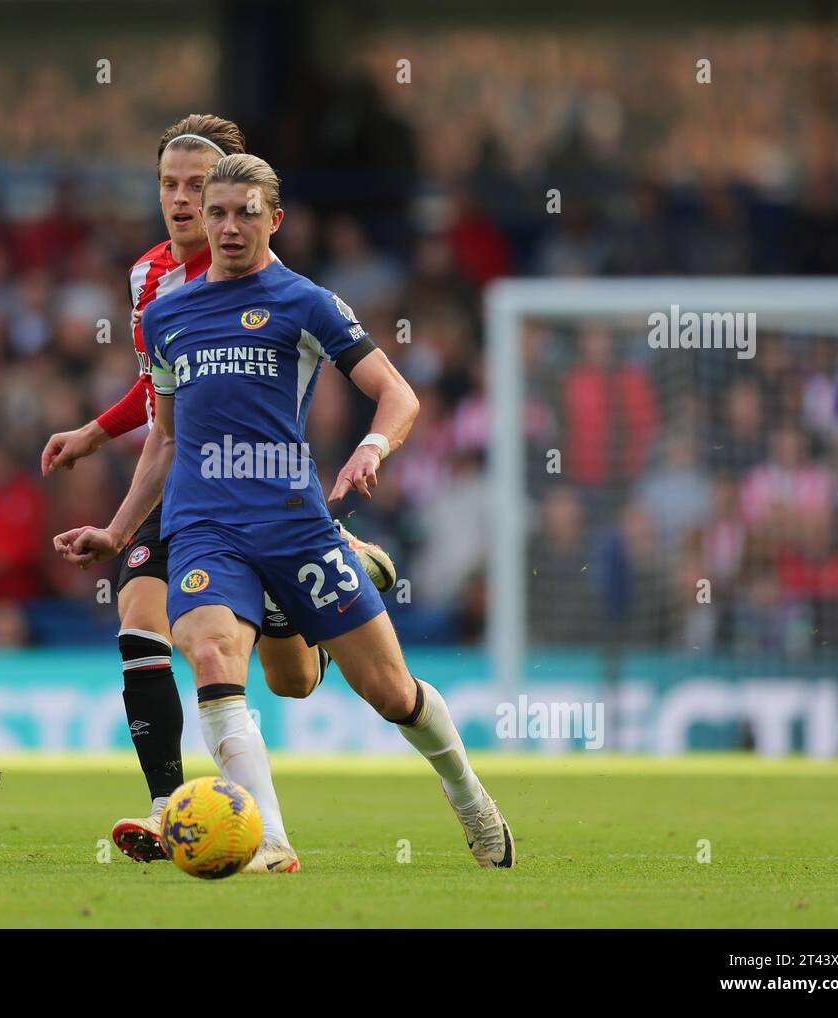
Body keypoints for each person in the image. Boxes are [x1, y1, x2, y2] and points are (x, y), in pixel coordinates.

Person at [55, 154, 513, 872]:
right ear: (202, 221)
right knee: (208, 654)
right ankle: (269, 837)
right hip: (203, 525)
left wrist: (369, 449)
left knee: (381, 691)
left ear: (275, 219)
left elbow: (398, 396)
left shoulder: (308, 303)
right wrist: (116, 530)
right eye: (217, 213)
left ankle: (469, 797)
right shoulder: (169, 314)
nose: (230, 227)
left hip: (295, 524)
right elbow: (166, 436)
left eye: (245, 213)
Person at [41, 115, 395, 862]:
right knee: (139, 618)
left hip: (260, 494)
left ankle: (341, 559)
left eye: (196, 186)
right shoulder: (149, 280)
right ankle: (168, 804)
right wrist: (96, 435)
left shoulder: (262, 275)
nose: (181, 200)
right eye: (169, 186)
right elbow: (158, 393)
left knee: (294, 682)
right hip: (175, 479)